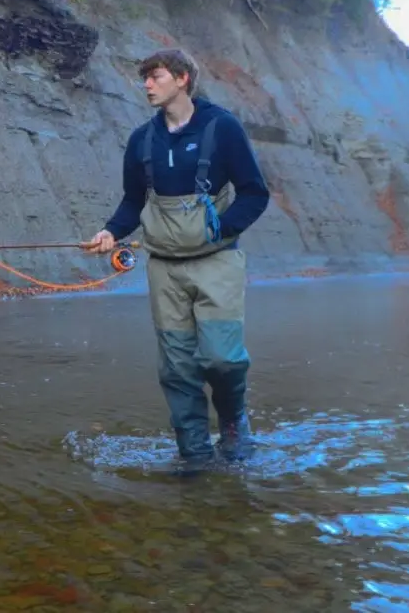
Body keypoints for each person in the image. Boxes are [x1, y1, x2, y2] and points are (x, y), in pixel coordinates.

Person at [82, 48, 270, 472]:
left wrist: (221, 229)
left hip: (217, 262)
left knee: (222, 358)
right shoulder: (140, 140)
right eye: (145, 77)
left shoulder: (223, 128)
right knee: (177, 367)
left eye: (156, 76)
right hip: (163, 268)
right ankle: (195, 456)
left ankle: (234, 420)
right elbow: (133, 201)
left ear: (183, 78)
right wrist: (111, 232)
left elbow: (255, 192)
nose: (147, 84)